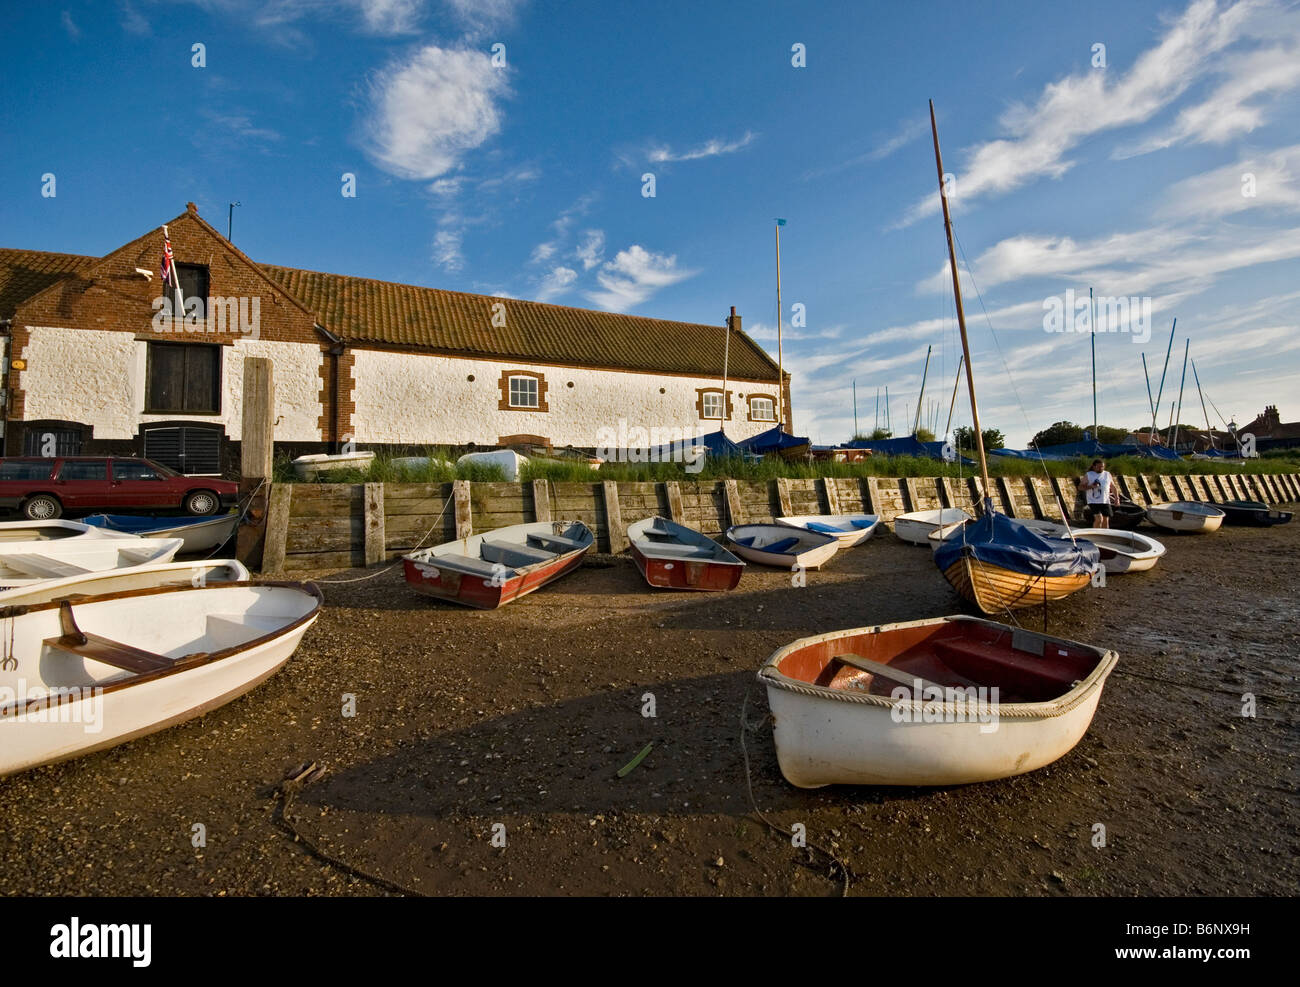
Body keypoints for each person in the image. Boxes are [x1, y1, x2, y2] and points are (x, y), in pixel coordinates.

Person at [1079, 458, 1119, 528]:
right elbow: (1080, 487)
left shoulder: (1107, 474)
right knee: (1099, 519)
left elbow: (1113, 487)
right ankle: (1095, 533)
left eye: (1102, 466)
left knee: (1106, 519)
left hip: (1105, 500)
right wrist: (1091, 486)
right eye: (1099, 467)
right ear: (1094, 466)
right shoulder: (1089, 475)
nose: (1101, 468)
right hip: (1093, 501)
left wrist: (1116, 498)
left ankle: (1105, 535)